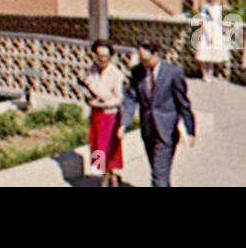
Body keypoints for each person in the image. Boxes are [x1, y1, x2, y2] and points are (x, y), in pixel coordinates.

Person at [118, 39, 196, 187]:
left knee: (159, 176)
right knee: (159, 172)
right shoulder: (138, 71)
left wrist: (190, 130)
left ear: (156, 55)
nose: (144, 63)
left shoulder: (173, 72)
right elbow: (131, 98)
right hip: (148, 130)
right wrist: (124, 123)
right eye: (141, 60)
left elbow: (183, 103)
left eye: (146, 60)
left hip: (166, 130)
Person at [82, 38, 125, 187]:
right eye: (99, 56)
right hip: (96, 114)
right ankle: (106, 175)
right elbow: (88, 90)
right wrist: (90, 100)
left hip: (110, 115)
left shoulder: (116, 73)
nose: (102, 60)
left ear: (111, 56)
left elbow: (120, 98)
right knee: (97, 145)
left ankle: (109, 178)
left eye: (105, 57)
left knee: (108, 147)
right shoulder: (92, 70)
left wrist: (104, 103)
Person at [196, 0, 227, 81]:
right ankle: (204, 73)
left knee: (212, 53)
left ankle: (210, 72)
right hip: (207, 30)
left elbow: (219, 20)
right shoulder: (205, 8)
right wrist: (208, 35)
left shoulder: (218, 8)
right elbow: (203, 22)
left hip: (216, 31)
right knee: (204, 51)